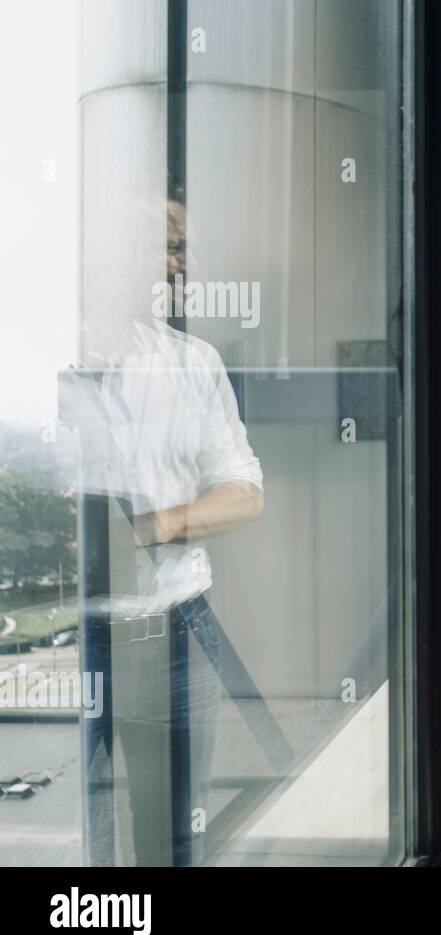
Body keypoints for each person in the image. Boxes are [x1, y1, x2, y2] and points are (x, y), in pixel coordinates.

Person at [63, 197, 264, 865]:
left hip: (172, 633)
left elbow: (245, 493)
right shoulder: (45, 364)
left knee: (174, 843)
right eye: (173, 246)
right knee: (83, 836)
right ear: (121, 257)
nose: (188, 263)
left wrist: (156, 524)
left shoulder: (192, 363)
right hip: (75, 643)